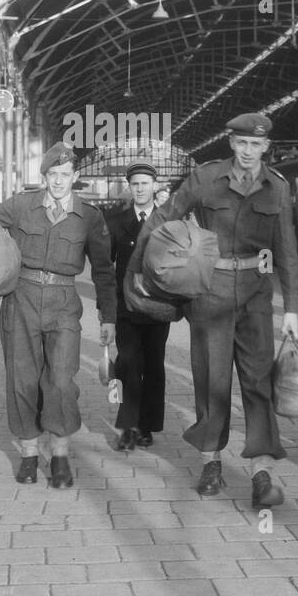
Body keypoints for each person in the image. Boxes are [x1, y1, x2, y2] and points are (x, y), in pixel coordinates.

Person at [131, 113, 298, 509]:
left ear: (265, 148)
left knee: (258, 381)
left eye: (256, 145)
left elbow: (288, 250)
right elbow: (162, 216)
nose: (248, 151)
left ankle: (262, 471)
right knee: (211, 379)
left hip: (256, 296)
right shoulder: (205, 178)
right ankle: (211, 462)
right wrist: (139, 265)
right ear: (231, 142)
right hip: (210, 292)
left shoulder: (276, 188)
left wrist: (292, 306)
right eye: (242, 143)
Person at [0, 143, 117, 488]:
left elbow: (104, 271)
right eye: (53, 175)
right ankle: (30, 453)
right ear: (44, 176)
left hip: (64, 301)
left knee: (62, 379)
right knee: (22, 379)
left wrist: (108, 316)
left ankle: (60, 452)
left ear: (74, 177)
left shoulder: (90, 216)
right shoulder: (22, 206)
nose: (59, 181)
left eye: (65, 175)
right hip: (22, 298)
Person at [104, 161, 170, 451]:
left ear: (155, 186)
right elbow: (106, 267)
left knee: (154, 365)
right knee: (127, 364)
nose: (140, 188)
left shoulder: (168, 221)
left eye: (145, 183)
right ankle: (128, 425)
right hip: (126, 307)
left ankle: (147, 426)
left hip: (158, 307)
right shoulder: (116, 221)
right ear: (129, 187)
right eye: (135, 184)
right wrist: (106, 309)